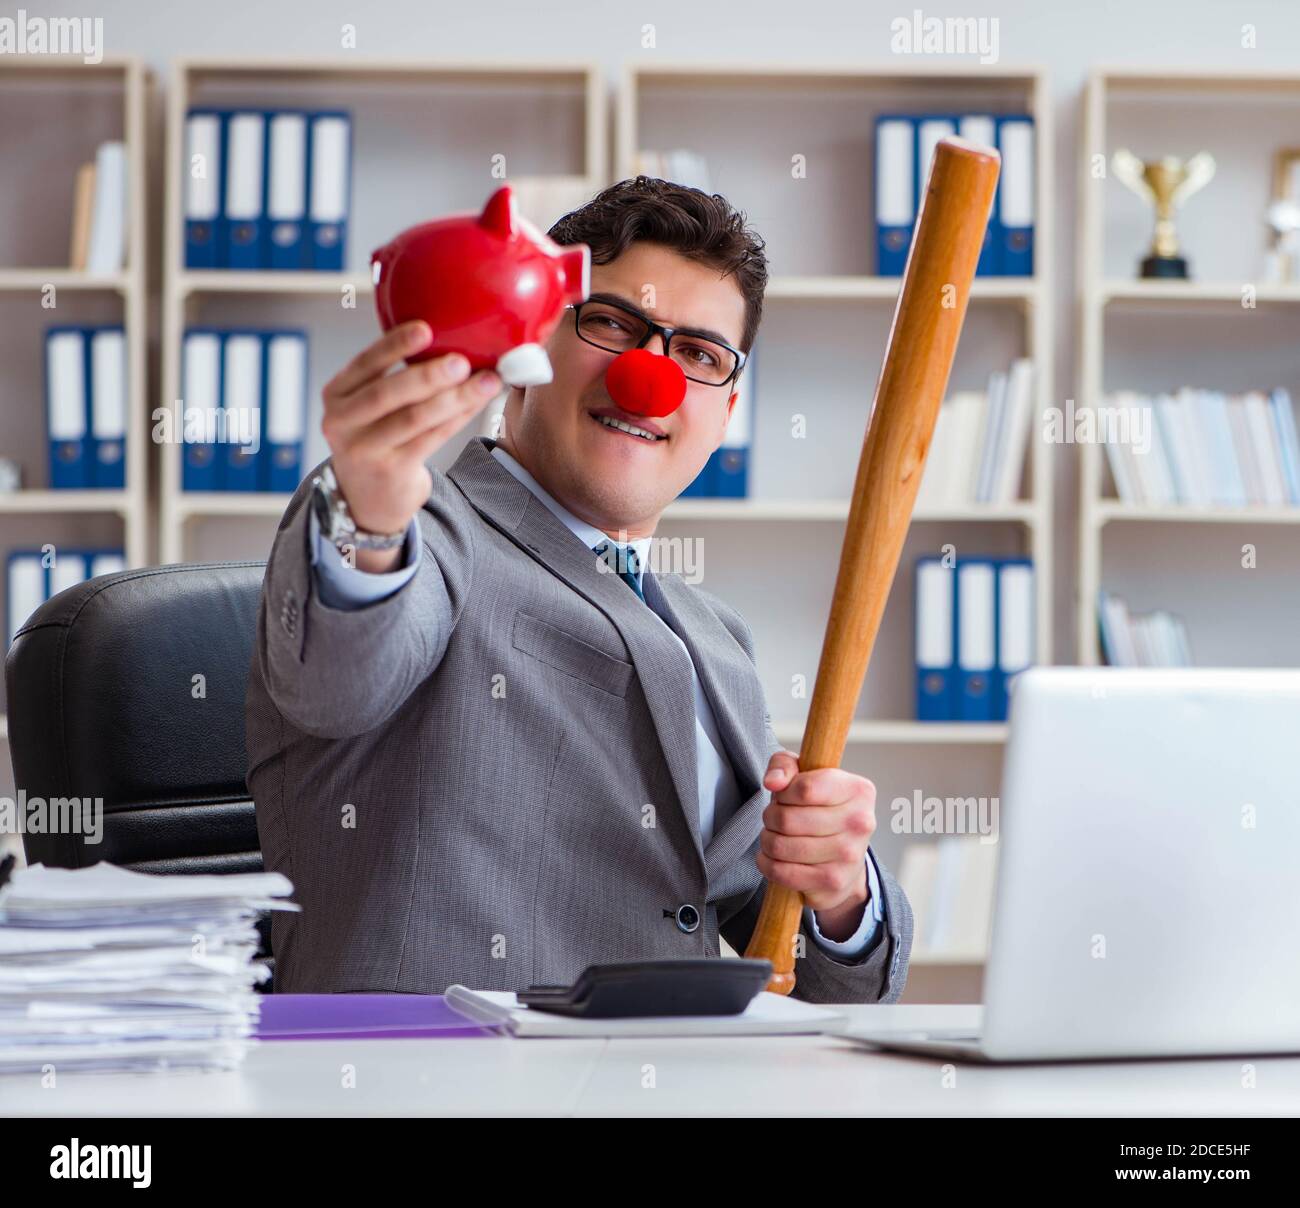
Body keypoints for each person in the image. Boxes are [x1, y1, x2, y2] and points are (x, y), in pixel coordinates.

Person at [246, 176, 913, 1001]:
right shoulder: (422, 529)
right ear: (531, 341)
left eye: (699, 354)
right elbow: (339, 679)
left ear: (727, 409)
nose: (649, 378)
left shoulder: (718, 640)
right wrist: (372, 515)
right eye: (611, 323)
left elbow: (803, 975)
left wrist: (840, 898)